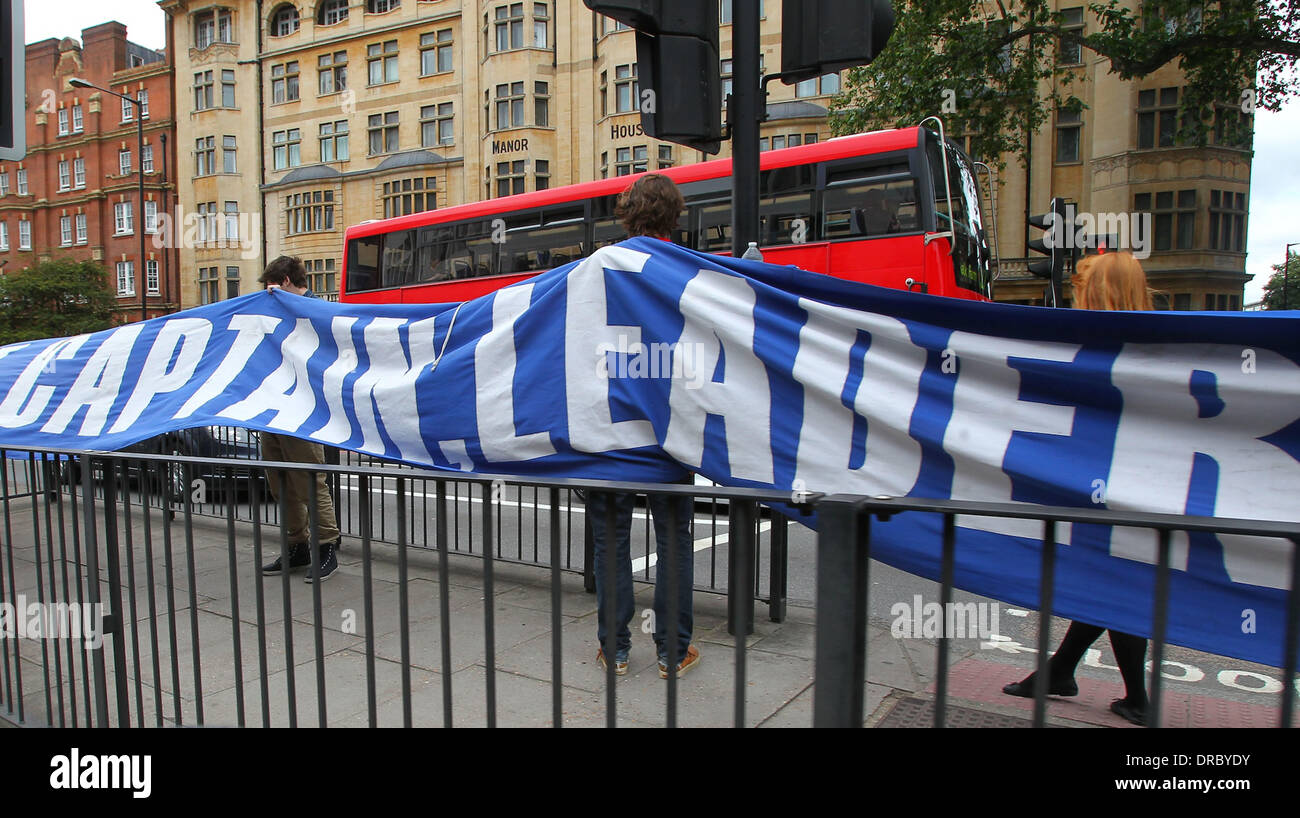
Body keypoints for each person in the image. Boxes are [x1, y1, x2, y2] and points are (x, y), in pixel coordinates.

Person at [1002, 250, 1154, 725]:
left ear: (1098, 292)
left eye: (1078, 291)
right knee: (1107, 578)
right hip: (1136, 481)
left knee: (1115, 581)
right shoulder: (1159, 344)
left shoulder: (1100, 347)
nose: (1074, 300)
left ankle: (1130, 697)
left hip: (1114, 483)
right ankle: (1063, 673)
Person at [588, 174, 700, 679]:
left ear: (626, 214)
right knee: (674, 537)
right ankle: (672, 652)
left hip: (611, 432)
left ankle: (614, 651)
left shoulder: (598, 269)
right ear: (674, 216)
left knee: (610, 539)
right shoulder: (691, 271)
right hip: (669, 434)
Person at [256, 255, 342, 583]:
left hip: (304, 410)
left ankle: (325, 547)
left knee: (308, 479)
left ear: (289, 281)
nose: (269, 292)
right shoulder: (272, 310)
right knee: (279, 481)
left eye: (274, 285)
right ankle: (297, 545)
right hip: (273, 409)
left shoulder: (318, 311)